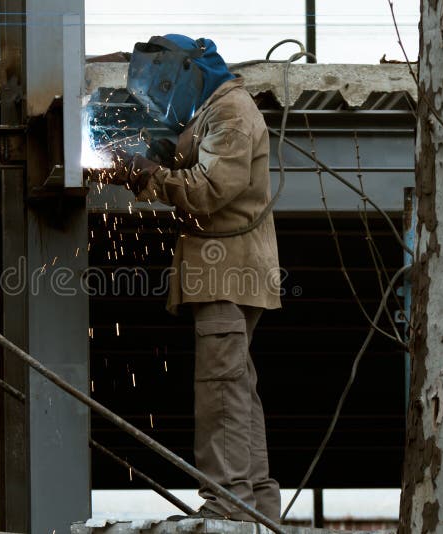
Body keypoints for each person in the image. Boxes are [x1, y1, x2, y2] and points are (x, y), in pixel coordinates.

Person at [110, 34, 282, 522]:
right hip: (230, 273)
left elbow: (207, 191)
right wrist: (165, 153)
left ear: (188, 75)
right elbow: (199, 159)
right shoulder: (214, 113)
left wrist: (146, 174)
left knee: (220, 389)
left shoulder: (230, 112)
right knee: (238, 388)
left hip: (227, 275)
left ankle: (228, 504)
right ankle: (256, 507)